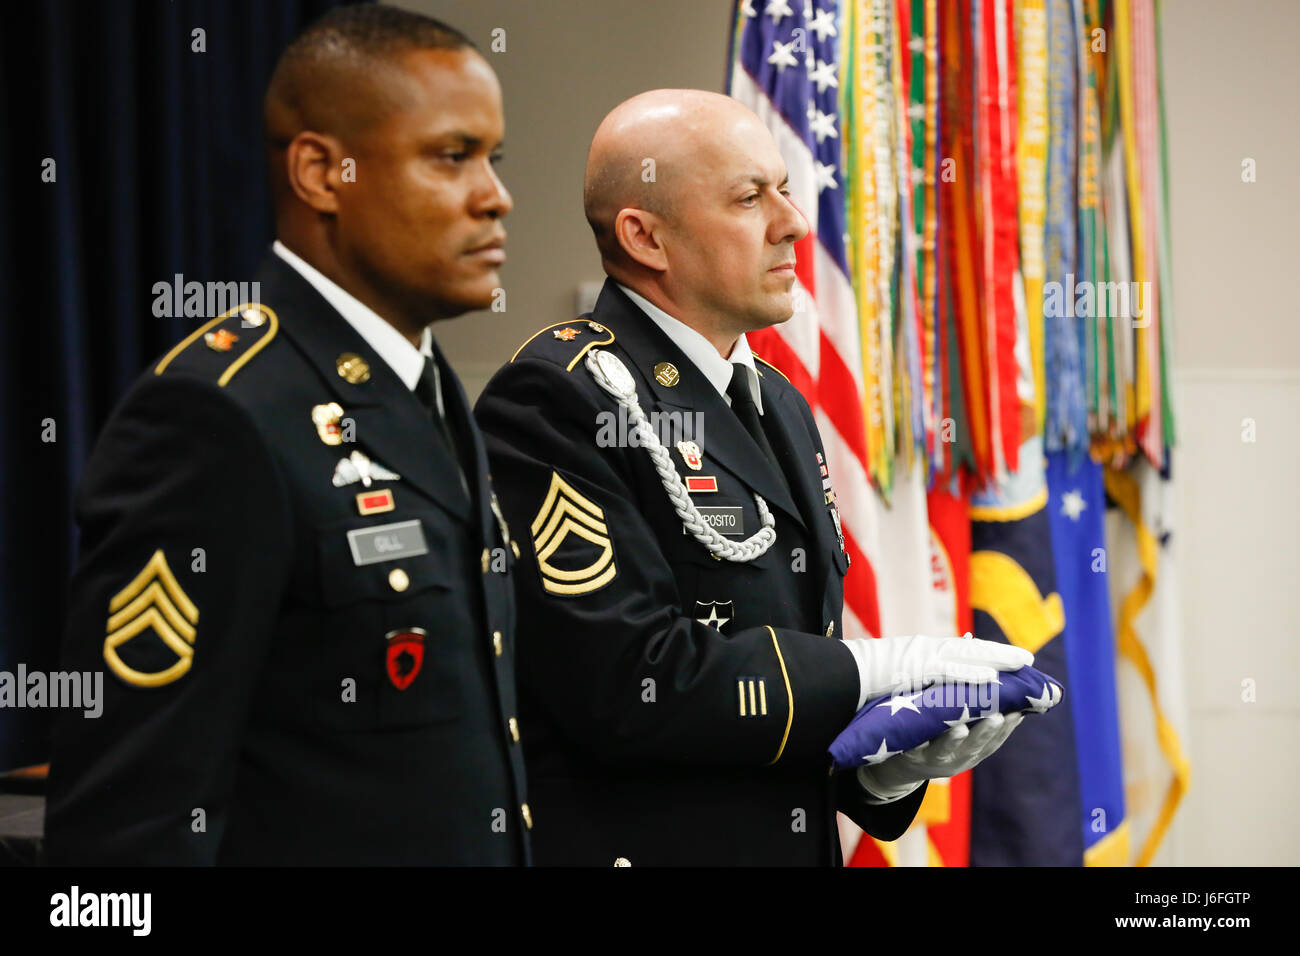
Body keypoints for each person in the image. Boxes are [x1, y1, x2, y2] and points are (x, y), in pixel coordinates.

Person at [474, 90, 1031, 866]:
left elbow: (782, 682)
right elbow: (630, 685)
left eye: (784, 188)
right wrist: (874, 668)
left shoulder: (776, 402)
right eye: (748, 198)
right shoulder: (559, 396)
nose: (794, 223)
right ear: (646, 236)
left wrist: (882, 773)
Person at [44, 6, 531, 865]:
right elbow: (127, 831)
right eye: (451, 156)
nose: (496, 195)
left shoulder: (430, 389)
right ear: (320, 171)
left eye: (493, 159)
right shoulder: (218, 416)